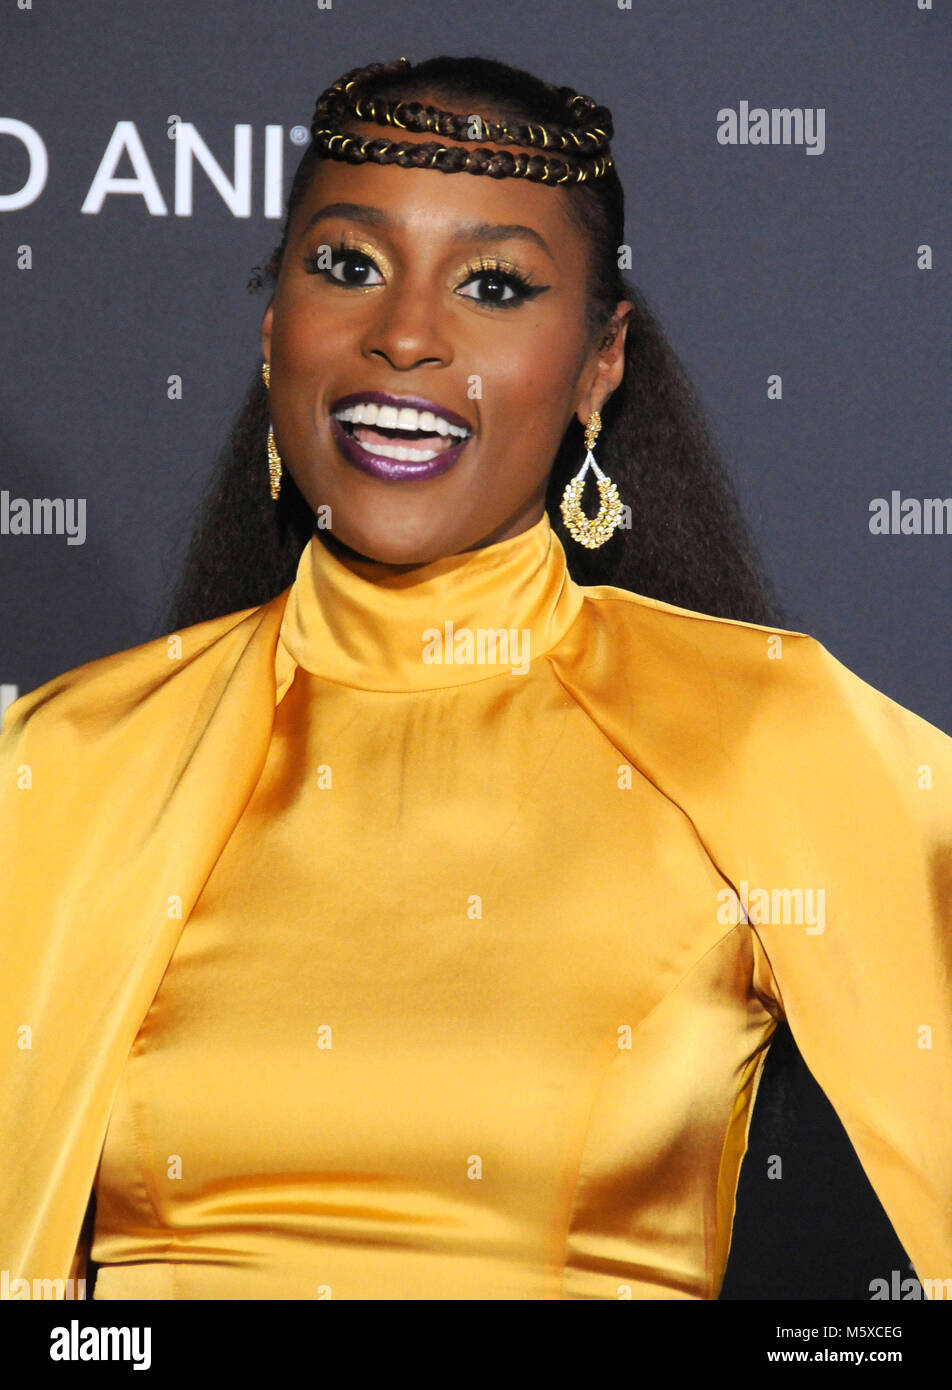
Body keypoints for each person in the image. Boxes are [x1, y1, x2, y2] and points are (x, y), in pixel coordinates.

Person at [1, 54, 950, 1302]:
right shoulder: (65, 759)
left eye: (493, 285)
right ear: (274, 322)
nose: (403, 334)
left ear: (599, 364)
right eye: (347, 266)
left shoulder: (760, 728)